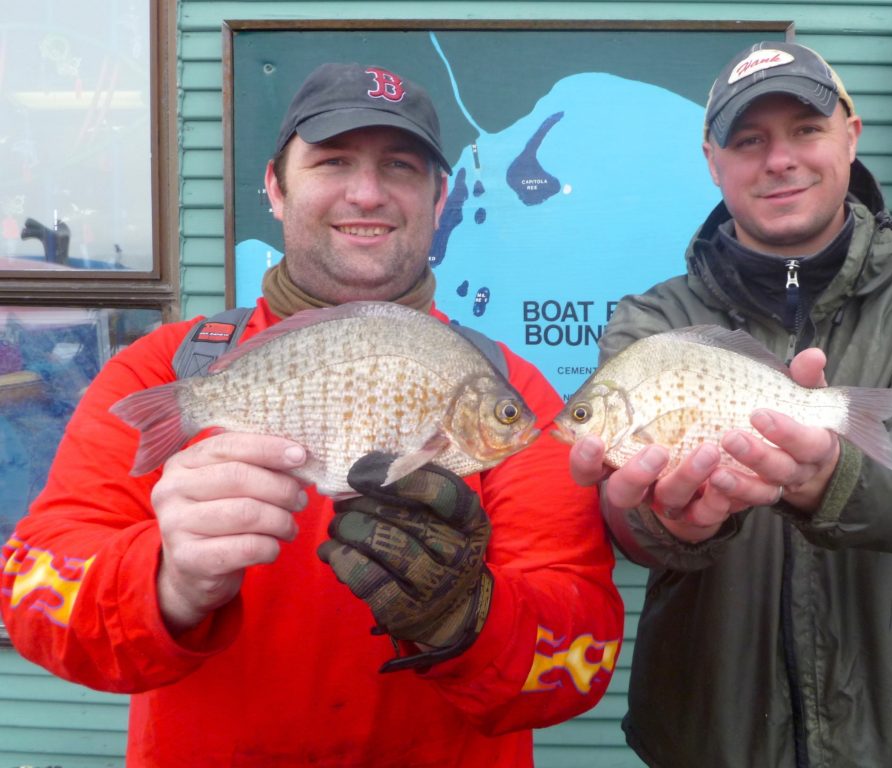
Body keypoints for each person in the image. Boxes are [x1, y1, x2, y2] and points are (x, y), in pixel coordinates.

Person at [0, 62, 624, 766]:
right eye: (331, 162)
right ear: (274, 186)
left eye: (400, 167)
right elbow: (32, 592)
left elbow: (581, 658)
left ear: (441, 196)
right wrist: (167, 582)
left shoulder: (513, 392)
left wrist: (466, 617)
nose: (367, 192)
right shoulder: (164, 371)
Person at [569, 41, 892, 767]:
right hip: (709, 740)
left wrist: (825, 475)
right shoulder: (650, 323)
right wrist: (663, 523)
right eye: (749, 141)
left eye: (805, 130)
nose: (779, 160)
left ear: (851, 135)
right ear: (714, 163)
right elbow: (625, 513)